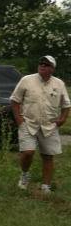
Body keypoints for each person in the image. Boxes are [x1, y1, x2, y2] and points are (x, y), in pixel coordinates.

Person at [11, 54, 70, 194]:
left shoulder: (59, 84)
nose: (43, 66)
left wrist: (62, 119)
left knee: (48, 156)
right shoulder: (26, 80)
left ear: (52, 69)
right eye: (41, 64)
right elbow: (14, 101)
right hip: (28, 123)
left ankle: (46, 187)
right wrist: (19, 120)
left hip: (49, 126)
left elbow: (66, 104)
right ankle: (25, 175)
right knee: (28, 152)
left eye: (46, 64)